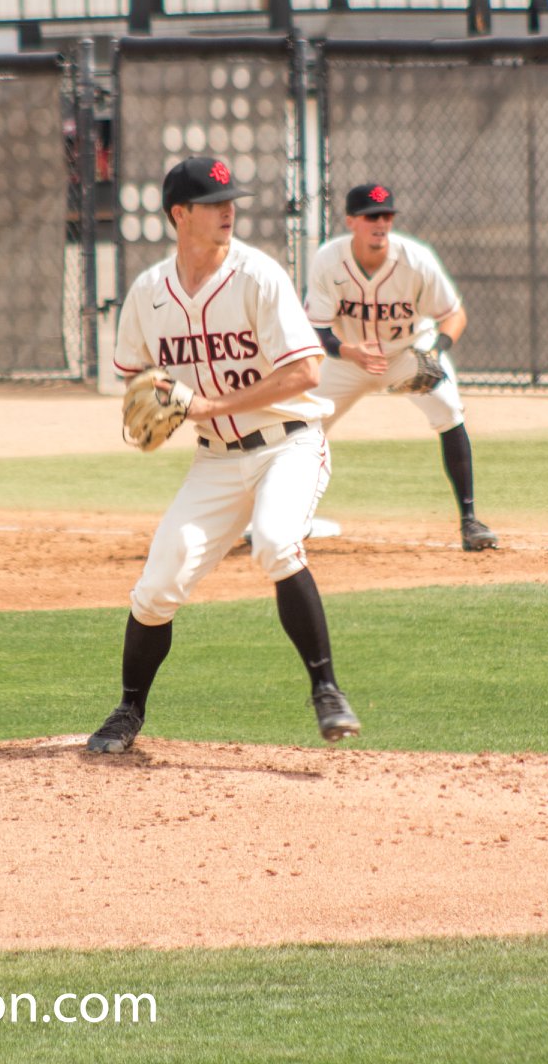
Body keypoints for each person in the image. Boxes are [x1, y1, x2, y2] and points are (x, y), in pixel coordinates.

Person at [85, 156, 358, 754]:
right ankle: (129, 709)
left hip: (289, 442)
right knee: (157, 588)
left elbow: (307, 371)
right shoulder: (149, 293)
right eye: (213, 202)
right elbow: (137, 378)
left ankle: (327, 691)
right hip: (214, 462)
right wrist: (157, 404)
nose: (228, 209)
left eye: (230, 199)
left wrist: (207, 404)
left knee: (275, 541)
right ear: (180, 214)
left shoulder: (258, 276)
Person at [304, 182, 499, 552]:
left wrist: (438, 351)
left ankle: (470, 521)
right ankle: (289, 517)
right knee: (302, 424)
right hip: (348, 358)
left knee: (447, 410)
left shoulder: (416, 259)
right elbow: (317, 328)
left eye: (387, 215)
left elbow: (453, 314)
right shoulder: (329, 261)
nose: (381, 222)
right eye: (371, 215)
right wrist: (349, 351)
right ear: (351, 221)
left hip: (407, 353)